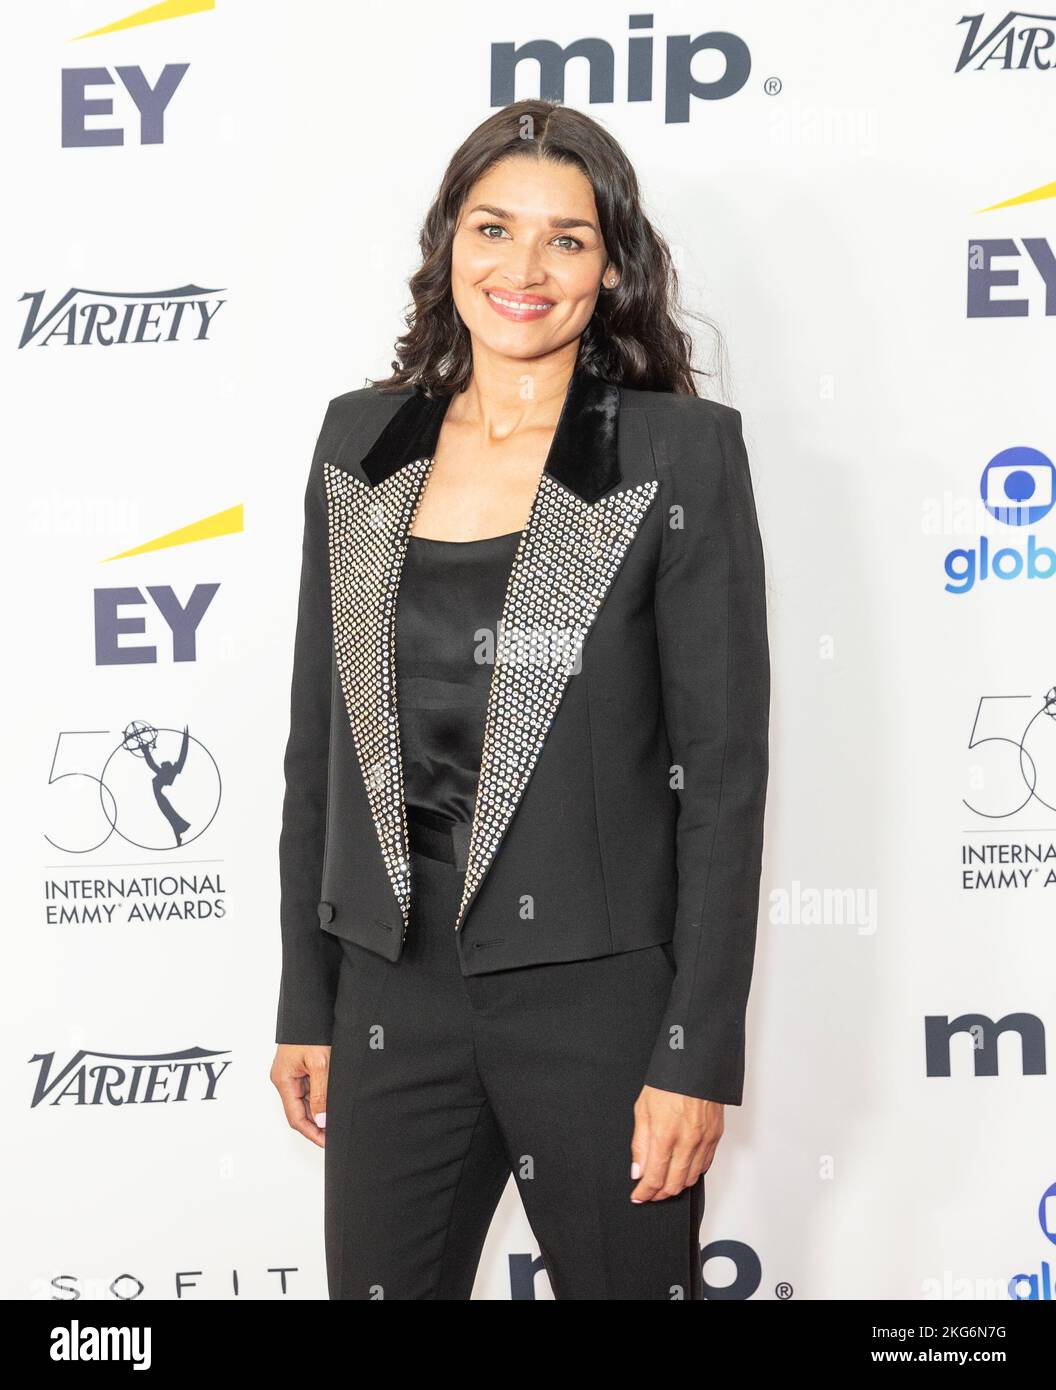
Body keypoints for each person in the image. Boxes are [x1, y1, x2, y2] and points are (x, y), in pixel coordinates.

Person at [270, 98, 770, 1301]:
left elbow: (725, 776)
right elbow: (316, 748)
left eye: (568, 239)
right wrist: (308, 996)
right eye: (495, 229)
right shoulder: (362, 441)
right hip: (392, 981)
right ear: (450, 243)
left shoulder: (672, 454)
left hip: (597, 996)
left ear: (612, 269)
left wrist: (694, 1052)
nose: (525, 269)